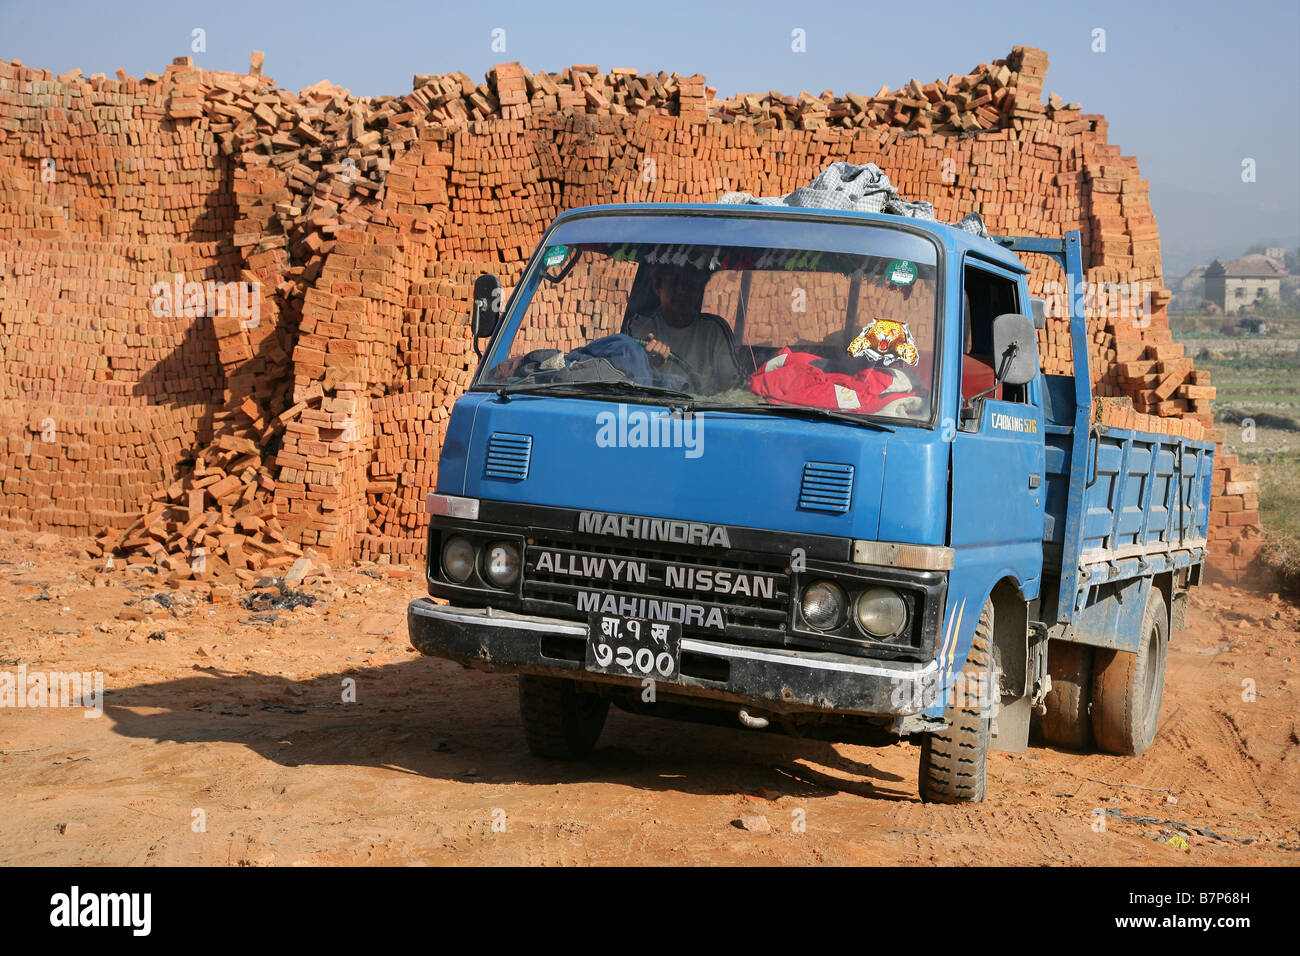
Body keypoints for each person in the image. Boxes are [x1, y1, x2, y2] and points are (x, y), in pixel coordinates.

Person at [623, 263, 743, 395]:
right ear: (658, 287)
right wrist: (645, 362)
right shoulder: (639, 326)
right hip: (647, 411)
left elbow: (736, 388)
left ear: (698, 291)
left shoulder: (714, 331)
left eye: (690, 284)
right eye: (674, 282)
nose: (682, 290)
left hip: (703, 412)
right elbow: (625, 377)